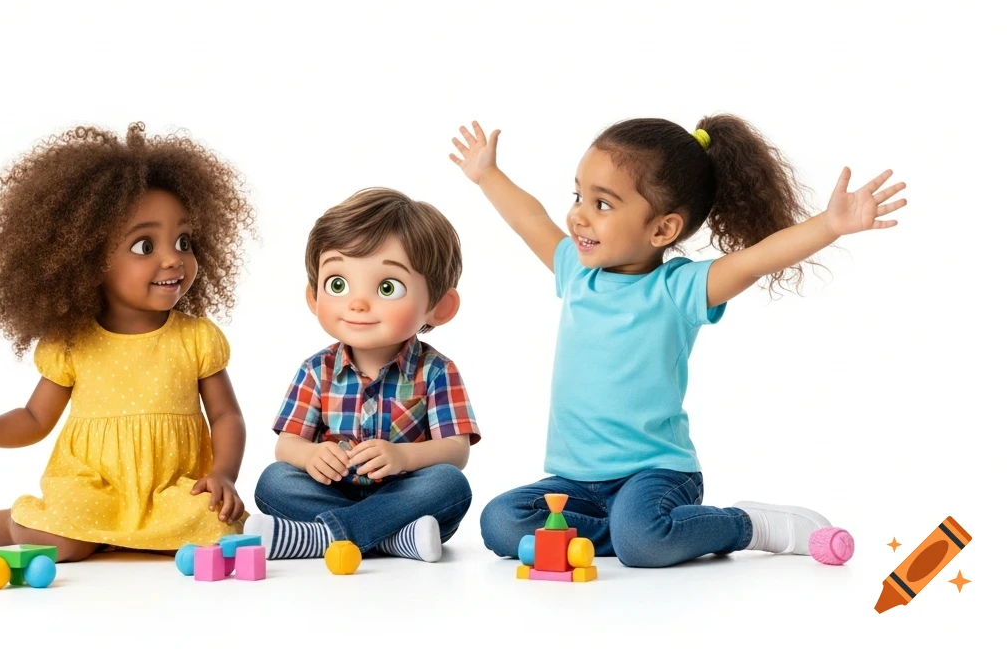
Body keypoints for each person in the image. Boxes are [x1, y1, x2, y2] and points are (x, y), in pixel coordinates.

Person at [451, 117, 904, 567]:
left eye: (602, 204)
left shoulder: (679, 288)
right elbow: (530, 217)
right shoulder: (576, 271)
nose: (579, 214)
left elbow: (753, 262)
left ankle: (745, 524)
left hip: (656, 473)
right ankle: (634, 535)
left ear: (663, 230)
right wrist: (487, 174)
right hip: (576, 482)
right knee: (501, 521)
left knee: (642, 538)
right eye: (578, 196)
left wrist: (830, 224)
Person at [0, 122, 256, 561]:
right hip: (92, 485)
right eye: (145, 245)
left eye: (183, 240)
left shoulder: (196, 338)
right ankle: (13, 522)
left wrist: (223, 475)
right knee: (66, 543)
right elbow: (33, 418)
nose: (172, 258)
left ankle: (114, 533)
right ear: (88, 260)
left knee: (215, 523)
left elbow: (226, 416)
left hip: (168, 488)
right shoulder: (74, 343)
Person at [245, 188, 480, 562]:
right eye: (338, 284)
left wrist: (402, 457)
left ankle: (321, 537)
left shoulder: (437, 371)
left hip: (404, 496)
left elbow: (455, 450)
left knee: (449, 485)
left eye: (387, 287)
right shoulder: (316, 370)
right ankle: (395, 541)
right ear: (314, 297)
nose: (357, 303)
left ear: (438, 307)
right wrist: (311, 456)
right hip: (331, 492)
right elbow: (286, 445)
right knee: (274, 482)